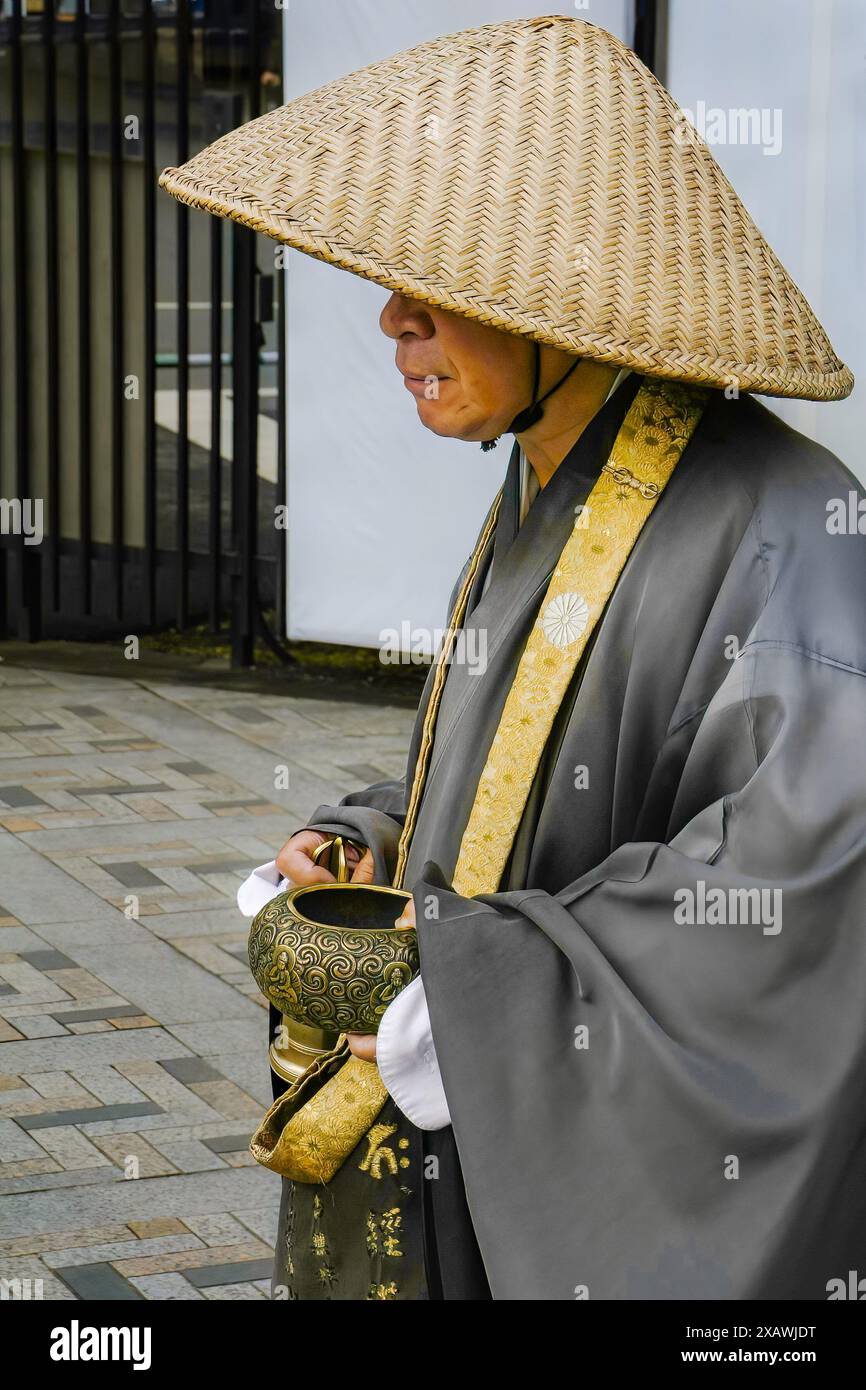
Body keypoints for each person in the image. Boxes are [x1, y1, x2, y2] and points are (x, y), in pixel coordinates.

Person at [161, 16, 863, 1300]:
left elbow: (797, 898)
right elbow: (523, 781)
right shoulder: (551, 480)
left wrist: (478, 998)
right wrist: (379, 839)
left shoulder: (793, 527)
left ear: (564, 306)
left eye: (433, 286)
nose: (392, 320)